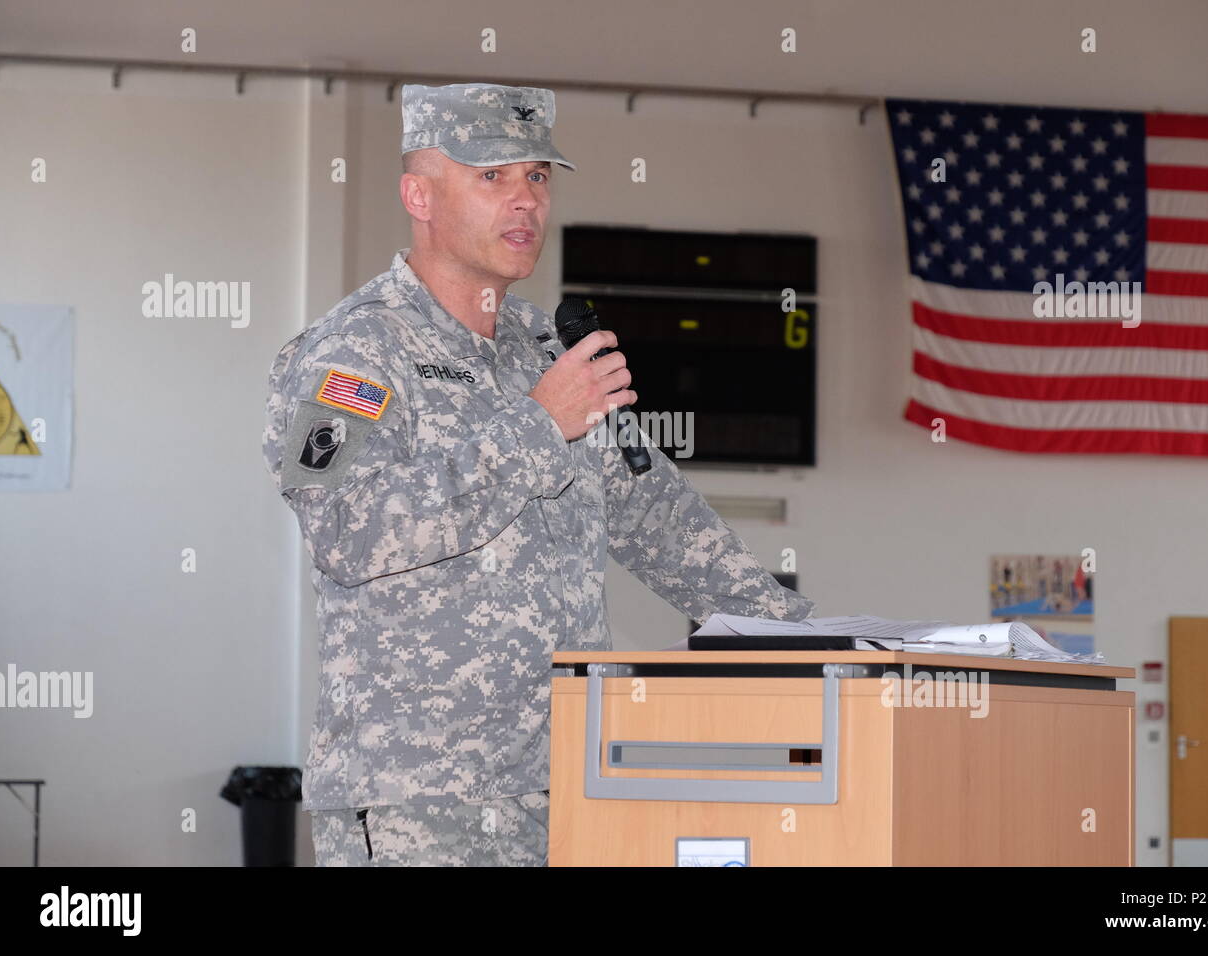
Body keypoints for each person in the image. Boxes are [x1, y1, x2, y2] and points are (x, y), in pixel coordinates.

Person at [260, 82, 815, 866]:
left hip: (574, 786)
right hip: (426, 803)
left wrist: (824, 645)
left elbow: (663, 525)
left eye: (539, 178)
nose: (525, 202)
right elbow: (351, 531)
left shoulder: (548, 352)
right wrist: (536, 427)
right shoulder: (353, 353)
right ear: (417, 194)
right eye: (493, 177)